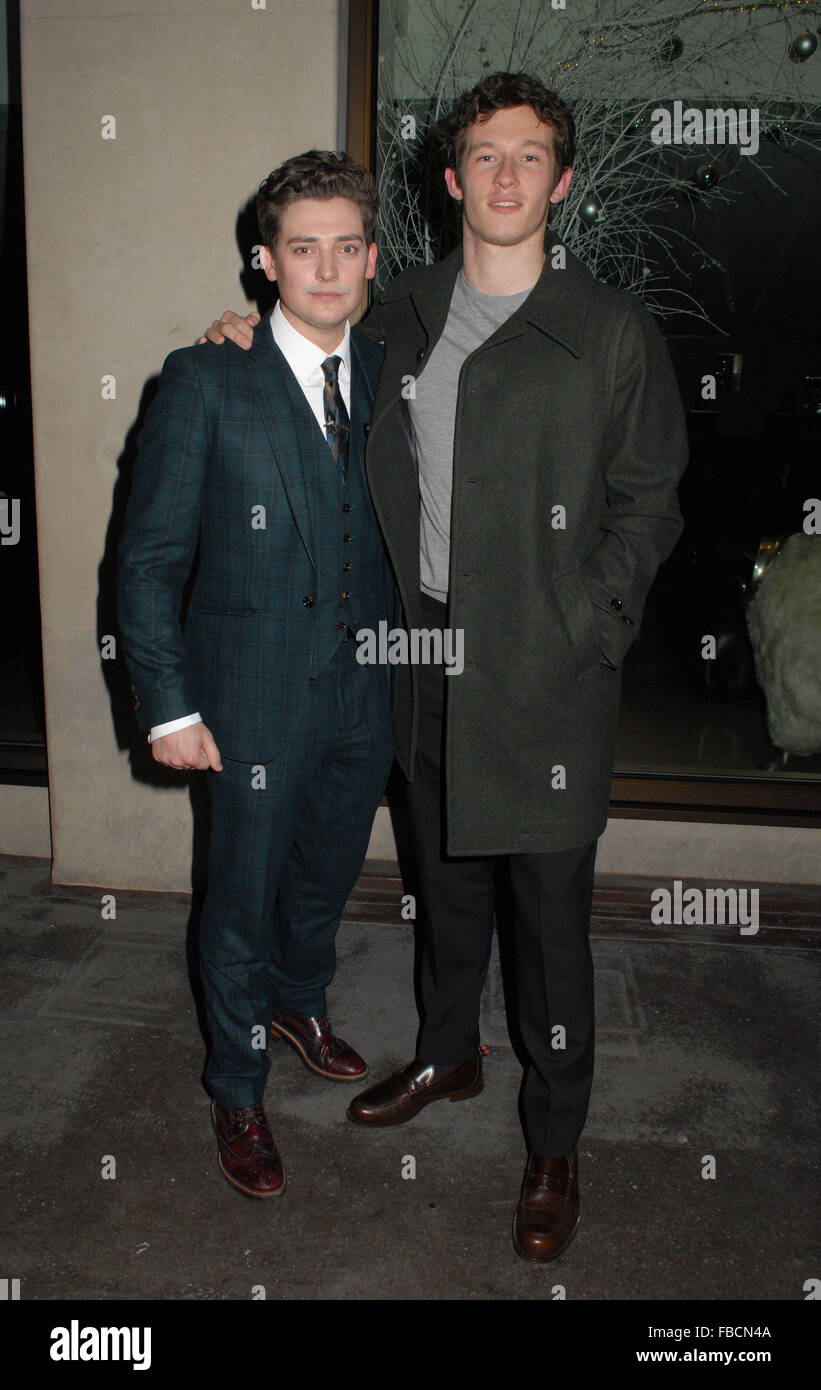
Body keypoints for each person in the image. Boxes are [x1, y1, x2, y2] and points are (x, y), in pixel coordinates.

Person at [202, 72, 689, 1258]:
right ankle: (447, 1053)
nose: (506, 175)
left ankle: (552, 1142)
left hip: (549, 671)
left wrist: (588, 621)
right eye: (485, 154)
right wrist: (237, 337)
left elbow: (649, 499)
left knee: (549, 926)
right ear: (450, 176)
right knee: (445, 883)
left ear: (560, 183)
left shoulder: (610, 332)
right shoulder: (400, 310)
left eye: (529, 157)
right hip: (421, 648)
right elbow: (306, 343)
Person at [117, 151, 398, 1200]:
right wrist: (170, 703)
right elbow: (146, 560)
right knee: (237, 900)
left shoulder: (390, 375)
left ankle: (298, 1001)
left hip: (360, 695)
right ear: (264, 263)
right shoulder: (205, 378)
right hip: (244, 701)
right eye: (300, 247)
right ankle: (236, 1086)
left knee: (322, 880)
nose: (325, 267)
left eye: (344, 246)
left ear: (370, 257)